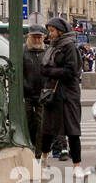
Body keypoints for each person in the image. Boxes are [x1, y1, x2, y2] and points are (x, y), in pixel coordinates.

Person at [40, 17, 83, 166]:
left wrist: (50, 71)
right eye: (49, 31)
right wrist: (49, 71)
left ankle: (77, 164)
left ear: (60, 31)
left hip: (68, 94)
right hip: (53, 93)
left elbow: (71, 71)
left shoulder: (69, 46)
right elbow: (43, 69)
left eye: (52, 31)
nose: (49, 34)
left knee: (72, 131)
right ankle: (42, 160)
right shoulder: (53, 46)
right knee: (47, 130)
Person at [22, 26, 47, 155]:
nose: (37, 39)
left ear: (43, 38)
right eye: (34, 37)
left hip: (43, 95)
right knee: (28, 123)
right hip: (27, 94)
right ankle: (29, 149)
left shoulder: (47, 52)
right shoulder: (23, 51)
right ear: (29, 37)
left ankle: (38, 152)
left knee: (41, 124)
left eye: (39, 37)